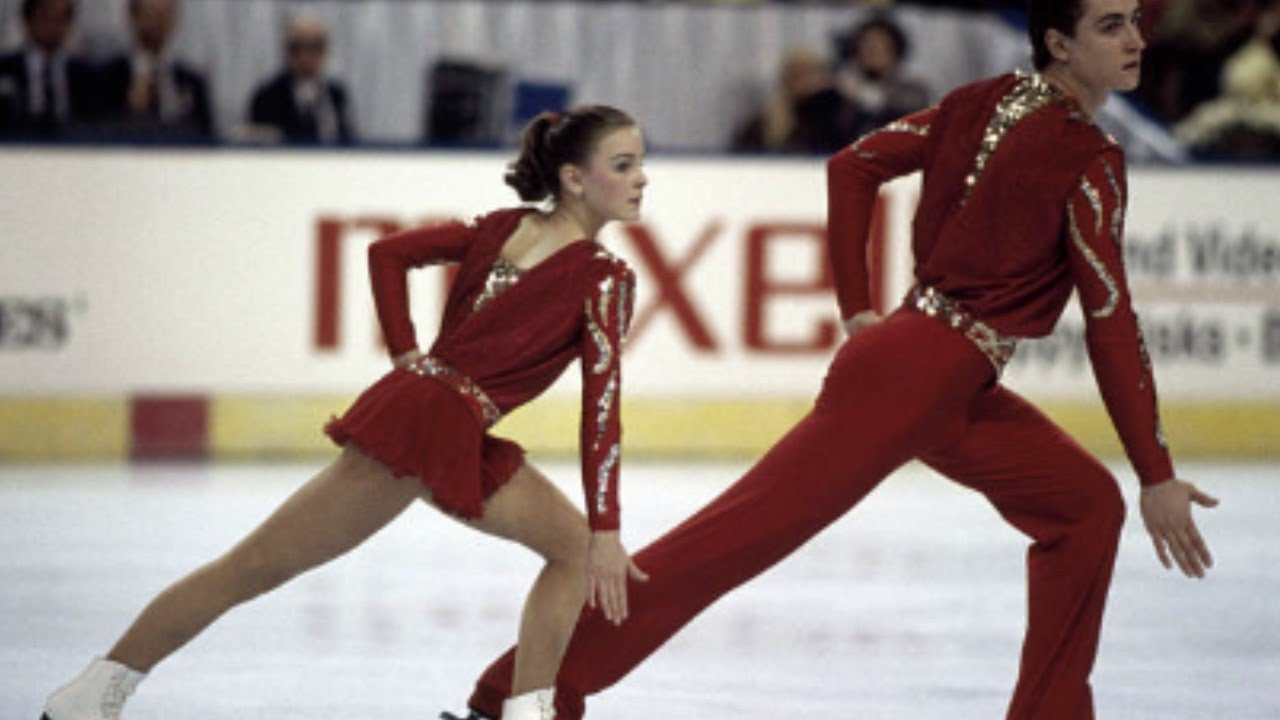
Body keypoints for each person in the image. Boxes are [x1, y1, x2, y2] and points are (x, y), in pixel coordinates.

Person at [446, 1, 1218, 718]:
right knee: (722, 546)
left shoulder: (978, 101)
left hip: (935, 372)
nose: (1137, 40)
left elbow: (851, 167)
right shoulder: (1090, 158)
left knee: (1082, 505)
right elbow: (1111, 318)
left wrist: (860, 311)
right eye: (1112, 25)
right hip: (916, 379)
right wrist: (1154, 472)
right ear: (1059, 44)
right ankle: (513, 697)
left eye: (1137, 23)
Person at [38, 104, 650, 720]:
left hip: (437, 421)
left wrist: (407, 350)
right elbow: (603, 411)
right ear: (574, 178)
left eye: (639, 165)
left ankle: (526, 713)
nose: (641, 179)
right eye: (623, 166)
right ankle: (91, 695)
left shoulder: (503, 227)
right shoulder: (604, 279)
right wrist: (609, 525)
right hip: (425, 430)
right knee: (249, 568)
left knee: (570, 550)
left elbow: (388, 254)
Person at [94, 0, 213, 141]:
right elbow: (94, 136)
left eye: (166, 15)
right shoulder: (107, 78)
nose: (160, 23)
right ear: (132, 16)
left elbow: (206, 137)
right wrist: (130, 110)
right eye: (152, 13)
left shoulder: (192, 81)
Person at [246, 15, 355, 145]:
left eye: (315, 47)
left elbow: (346, 140)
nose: (306, 56)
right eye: (298, 48)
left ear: (324, 52)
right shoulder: (268, 96)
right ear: (287, 51)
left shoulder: (335, 94)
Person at [0, 0, 97, 138]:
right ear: (28, 21)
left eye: (62, 18)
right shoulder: (5, 69)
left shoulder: (87, 75)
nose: (54, 26)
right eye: (46, 17)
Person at [730, 47, 849, 154]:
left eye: (812, 73)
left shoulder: (845, 116)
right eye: (797, 75)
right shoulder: (764, 123)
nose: (806, 81)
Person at [833, 12, 932, 141]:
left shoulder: (913, 91)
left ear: (896, 50)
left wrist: (860, 95)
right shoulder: (841, 91)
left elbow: (900, 124)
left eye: (881, 45)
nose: (873, 51)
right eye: (867, 45)